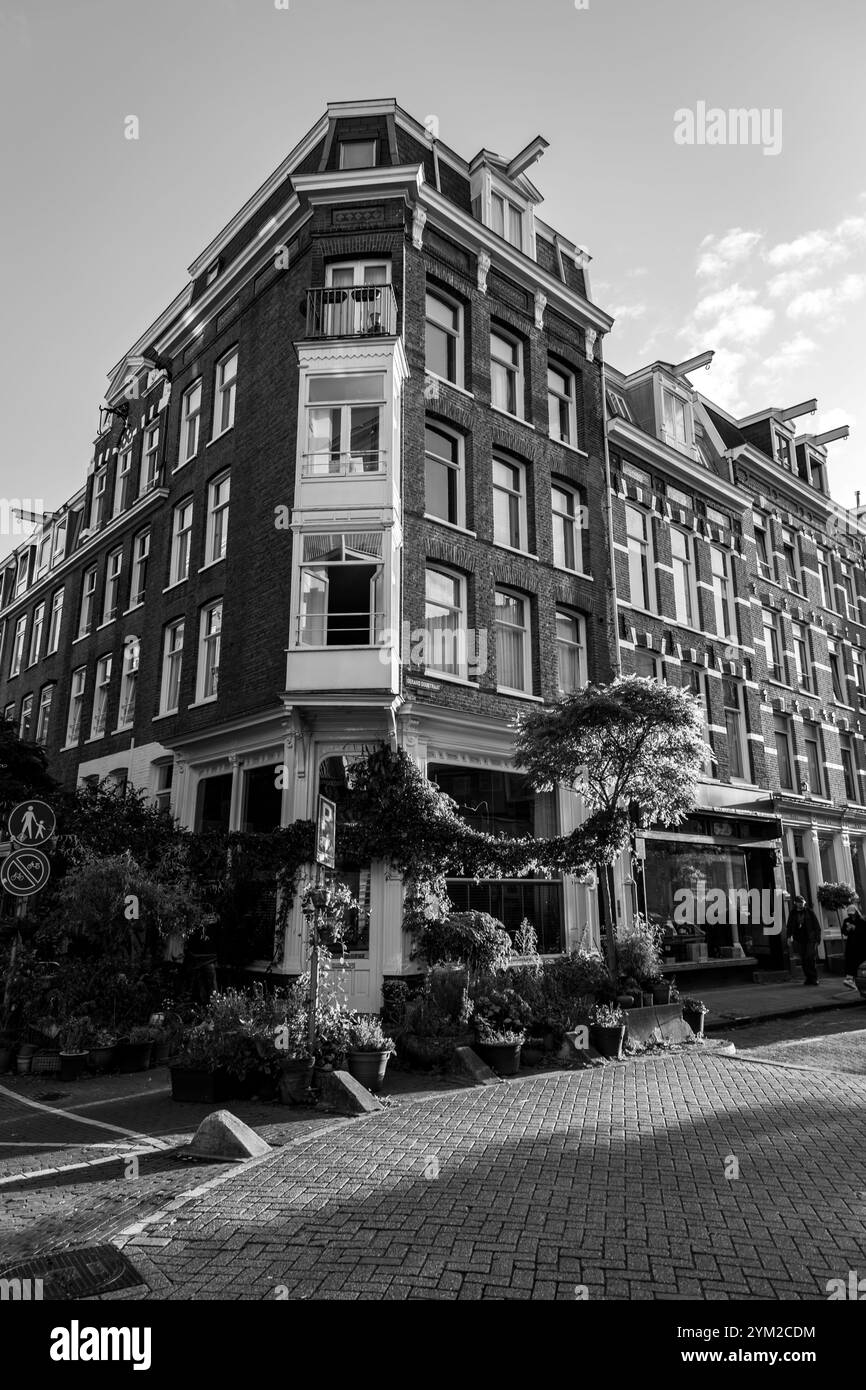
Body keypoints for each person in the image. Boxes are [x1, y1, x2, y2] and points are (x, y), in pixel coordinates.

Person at [786, 894, 822, 985]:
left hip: (810, 939)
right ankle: (808, 978)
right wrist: (788, 937)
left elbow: (816, 926)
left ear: (804, 903)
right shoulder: (793, 913)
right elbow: (789, 926)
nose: (800, 904)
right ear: (795, 903)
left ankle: (814, 978)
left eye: (802, 903)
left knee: (810, 957)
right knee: (804, 959)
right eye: (798, 903)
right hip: (799, 940)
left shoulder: (809, 912)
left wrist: (818, 939)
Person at [841, 905, 866, 990]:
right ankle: (850, 980)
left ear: (856, 912)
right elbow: (844, 932)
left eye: (853, 913)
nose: (852, 915)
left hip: (861, 945)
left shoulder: (861, 921)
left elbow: (864, 932)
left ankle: (857, 980)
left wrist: (855, 928)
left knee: (859, 962)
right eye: (850, 914)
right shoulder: (846, 920)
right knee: (850, 960)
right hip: (851, 944)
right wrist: (847, 929)